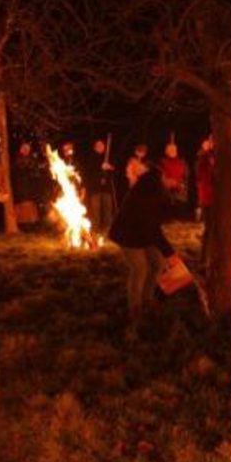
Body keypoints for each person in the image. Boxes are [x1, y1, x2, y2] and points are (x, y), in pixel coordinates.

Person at [108, 166, 182, 325]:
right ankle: (135, 310)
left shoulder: (156, 191)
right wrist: (169, 252)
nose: (171, 180)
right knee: (140, 269)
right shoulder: (145, 194)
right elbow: (151, 228)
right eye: (166, 177)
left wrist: (173, 195)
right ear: (159, 179)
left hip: (143, 232)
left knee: (157, 263)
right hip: (128, 235)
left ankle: (147, 299)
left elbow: (159, 219)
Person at [82, 139, 117, 233]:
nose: (100, 147)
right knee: (96, 212)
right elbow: (89, 172)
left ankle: (108, 231)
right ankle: (96, 232)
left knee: (108, 211)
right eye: (98, 145)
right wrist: (100, 167)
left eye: (102, 145)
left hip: (106, 189)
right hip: (95, 189)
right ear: (95, 147)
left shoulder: (108, 158)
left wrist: (110, 167)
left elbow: (115, 170)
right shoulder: (91, 158)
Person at [12, 143, 43, 229]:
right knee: (22, 204)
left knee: (30, 204)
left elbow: (35, 170)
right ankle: (22, 225)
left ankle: (31, 224)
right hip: (20, 185)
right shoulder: (17, 158)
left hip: (30, 186)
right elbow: (17, 169)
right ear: (21, 150)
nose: (26, 151)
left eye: (27, 149)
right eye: (24, 149)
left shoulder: (32, 159)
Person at [158, 142, 190, 212]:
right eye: (170, 150)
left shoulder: (182, 162)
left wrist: (181, 183)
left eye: (174, 149)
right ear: (166, 151)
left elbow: (186, 175)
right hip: (167, 189)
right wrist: (168, 182)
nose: (172, 151)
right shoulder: (163, 162)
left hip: (179, 189)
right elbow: (161, 175)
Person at [195, 137, 215, 222]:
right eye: (206, 144)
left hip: (209, 184)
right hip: (205, 183)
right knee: (205, 203)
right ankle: (201, 218)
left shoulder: (211, 155)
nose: (209, 145)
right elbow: (199, 171)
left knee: (209, 204)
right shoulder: (202, 156)